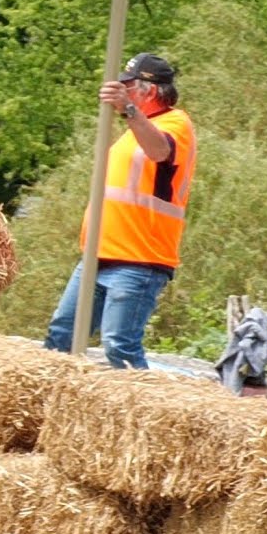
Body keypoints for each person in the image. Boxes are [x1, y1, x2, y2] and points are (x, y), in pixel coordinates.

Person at [44, 53, 197, 369]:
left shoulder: (175, 124)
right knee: (62, 336)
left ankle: (167, 402)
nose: (123, 91)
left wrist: (127, 110)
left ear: (150, 90)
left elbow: (158, 150)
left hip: (139, 259)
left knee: (119, 347)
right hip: (98, 254)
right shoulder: (136, 129)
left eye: (130, 86)